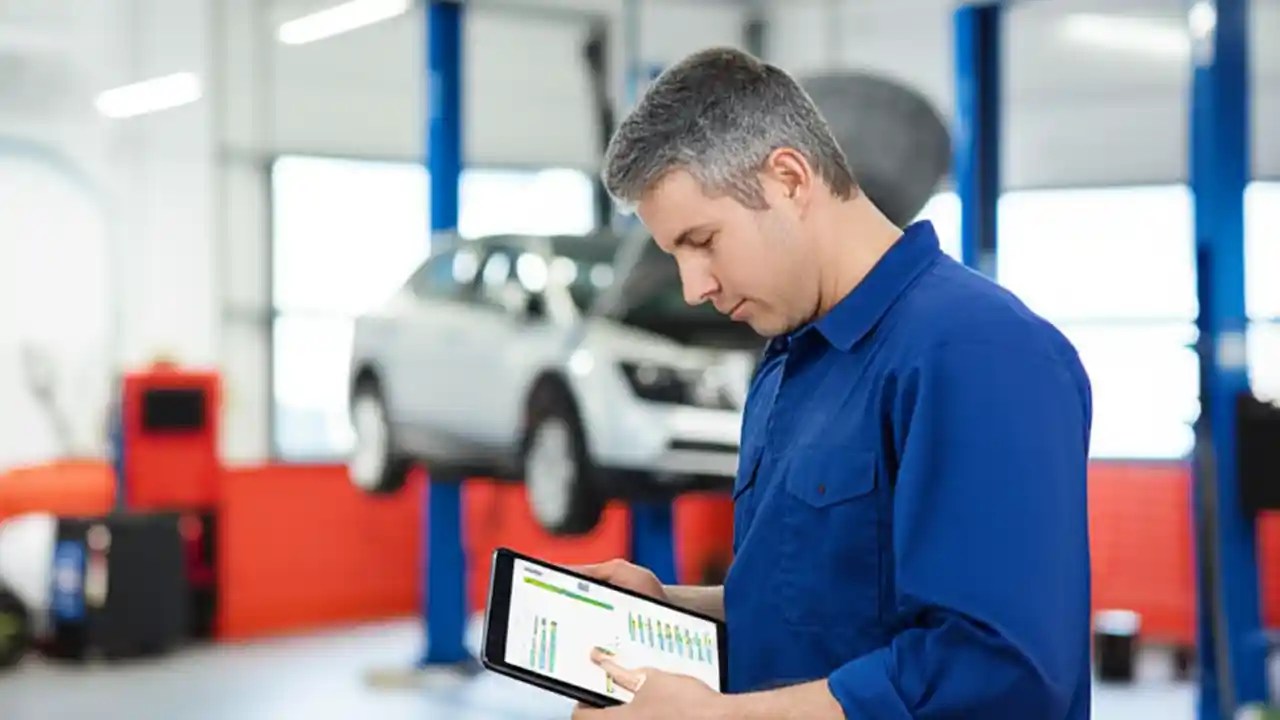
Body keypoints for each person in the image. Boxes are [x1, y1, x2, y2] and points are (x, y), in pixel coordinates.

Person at [570, 47, 1093, 720]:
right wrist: (669, 610)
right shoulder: (790, 363)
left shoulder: (978, 353)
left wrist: (722, 719)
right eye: (676, 255)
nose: (694, 288)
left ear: (788, 179)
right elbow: (823, 607)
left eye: (703, 241)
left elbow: (997, 671)